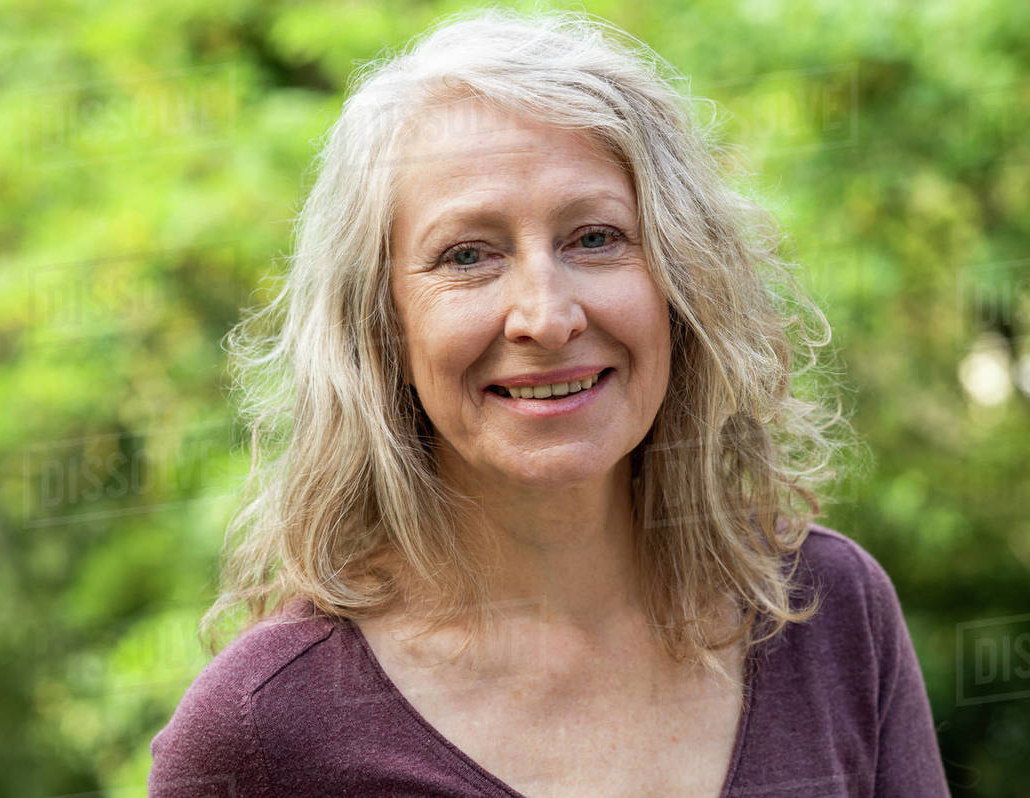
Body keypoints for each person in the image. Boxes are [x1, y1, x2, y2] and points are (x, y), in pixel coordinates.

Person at [148, 8, 950, 797]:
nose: (548, 316)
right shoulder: (264, 737)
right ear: (380, 325)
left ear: (681, 281)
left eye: (595, 238)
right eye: (468, 255)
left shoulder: (828, 612)